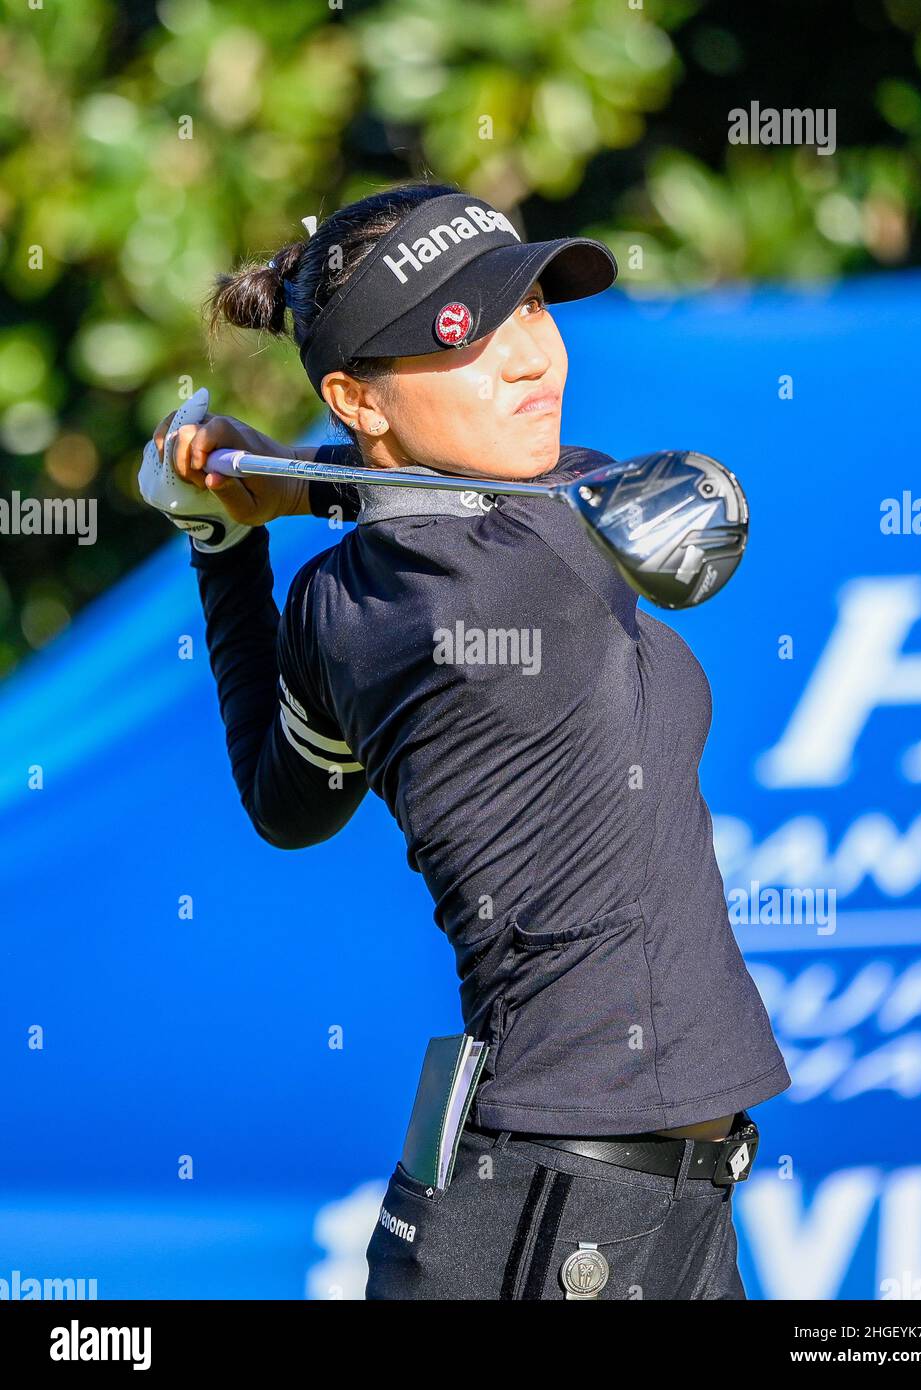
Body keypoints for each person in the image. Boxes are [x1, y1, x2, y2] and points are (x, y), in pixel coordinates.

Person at [144, 180, 791, 1300]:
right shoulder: (486, 580)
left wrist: (227, 536)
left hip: (622, 1208)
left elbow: (285, 804)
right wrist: (286, 492)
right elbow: (672, 502)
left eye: (532, 309)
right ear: (357, 395)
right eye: (465, 333)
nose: (531, 358)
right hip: (554, 1228)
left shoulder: (337, 603)